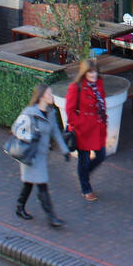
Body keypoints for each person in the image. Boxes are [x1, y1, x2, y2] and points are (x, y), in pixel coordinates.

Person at [14, 83, 70, 227]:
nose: (52, 96)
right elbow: (16, 128)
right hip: (31, 155)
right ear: (42, 97)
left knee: (29, 182)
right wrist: (31, 136)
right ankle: (52, 217)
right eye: (49, 94)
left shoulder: (50, 113)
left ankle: (20, 206)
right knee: (42, 184)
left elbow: (56, 132)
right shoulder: (30, 112)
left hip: (42, 156)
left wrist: (65, 150)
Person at [65, 60, 108, 202]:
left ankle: (84, 174)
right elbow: (69, 111)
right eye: (90, 71)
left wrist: (103, 120)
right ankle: (86, 189)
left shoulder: (99, 84)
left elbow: (102, 103)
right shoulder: (75, 87)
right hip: (82, 130)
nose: (93, 74)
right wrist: (79, 124)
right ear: (84, 73)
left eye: (95, 71)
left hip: (97, 127)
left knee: (101, 155)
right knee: (83, 160)